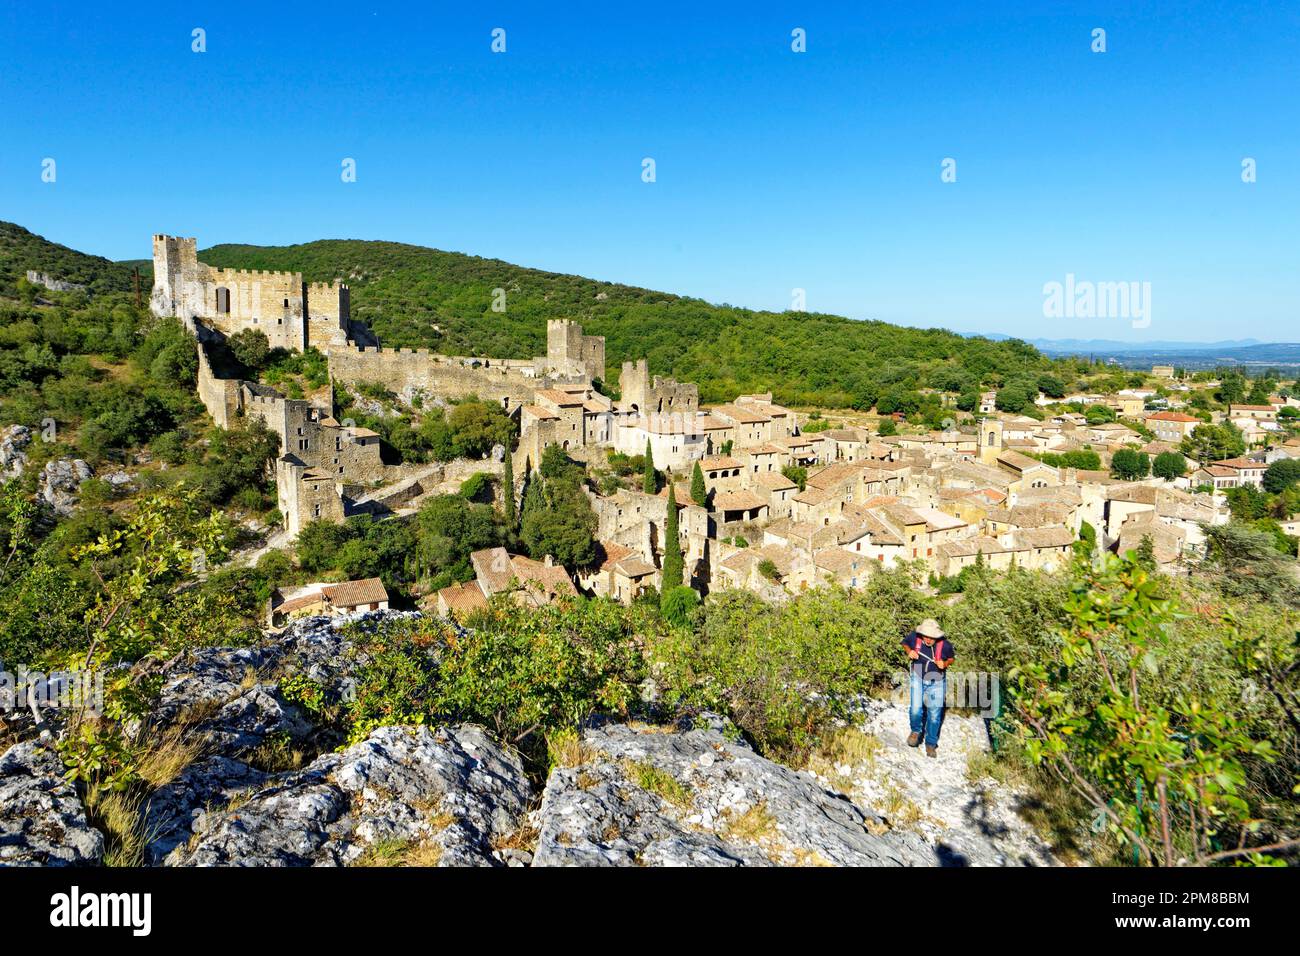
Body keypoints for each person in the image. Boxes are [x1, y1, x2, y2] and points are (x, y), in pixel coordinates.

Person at [901, 618, 954, 757]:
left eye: (932, 637)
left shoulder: (945, 645)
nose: (928, 640)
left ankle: (931, 744)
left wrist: (945, 663)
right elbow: (905, 644)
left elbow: (951, 658)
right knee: (915, 709)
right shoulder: (915, 637)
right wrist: (909, 651)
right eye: (926, 636)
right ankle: (915, 731)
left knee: (935, 715)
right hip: (918, 677)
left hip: (937, 681)